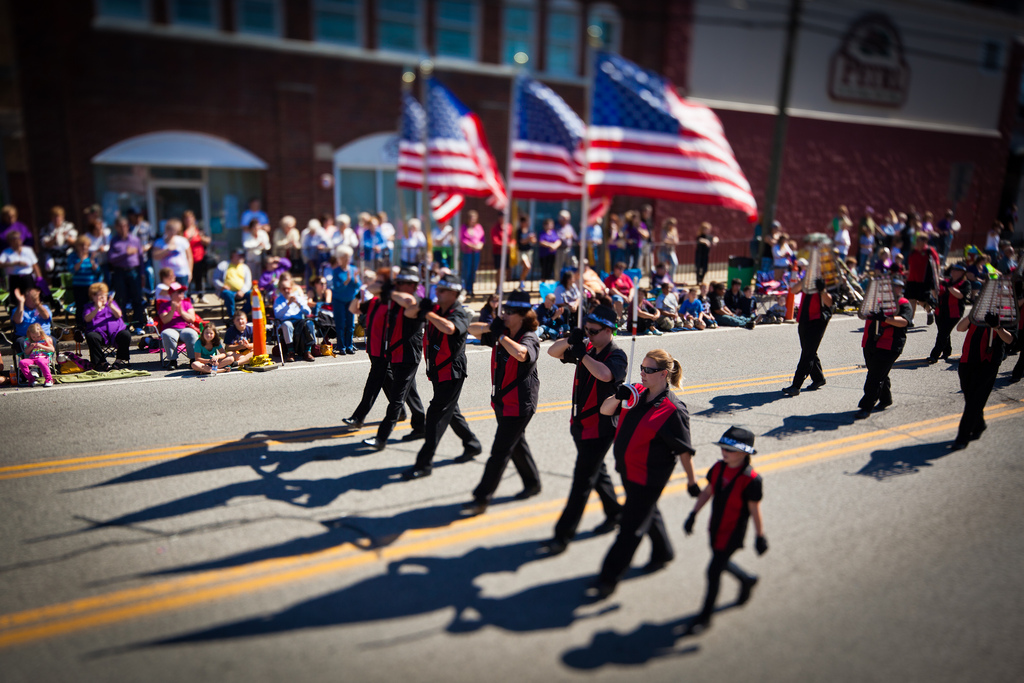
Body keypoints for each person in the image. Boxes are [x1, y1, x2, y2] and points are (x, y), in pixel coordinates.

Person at [585, 349, 697, 600]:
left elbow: (684, 450)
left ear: (663, 374)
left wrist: (691, 481)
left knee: (630, 527)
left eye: (649, 370)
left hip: (649, 477)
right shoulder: (635, 392)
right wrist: (618, 396)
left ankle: (608, 577)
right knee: (648, 512)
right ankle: (663, 552)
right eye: (642, 368)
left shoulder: (672, 410)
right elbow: (604, 411)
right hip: (627, 470)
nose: (642, 374)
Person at [540, 304, 628, 556]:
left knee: (582, 483)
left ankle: (561, 536)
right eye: (587, 329)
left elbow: (605, 375)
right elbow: (553, 352)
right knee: (597, 472)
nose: (589, 334)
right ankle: (615, 513)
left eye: (594, 330)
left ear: (610, 330)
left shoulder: (616, 355)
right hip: (579, 424)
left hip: (600, 428)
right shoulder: (586, 346)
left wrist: (583, 355)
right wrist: (571, 339)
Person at [463, 290, 543, 515]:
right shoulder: (503, 331)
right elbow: (471, 329)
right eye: (503, 311)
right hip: (502, 401)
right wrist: (493, 327)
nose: (504, 314)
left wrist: (500, 336)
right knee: (516, 444)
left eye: (508, 311)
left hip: (519, 404)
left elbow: (521, 354)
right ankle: (533, 483)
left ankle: (481, 497)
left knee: (500, 451)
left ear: (520, 315)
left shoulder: (529, 337)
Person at [682, 426, 767, 635]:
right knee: (720, 562)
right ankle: (746, 579)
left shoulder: (751, 479)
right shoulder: (719, 468)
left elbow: (754, 509)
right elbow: (708, 491)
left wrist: (759, 536)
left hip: (733, 532)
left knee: (713, 571)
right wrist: (693, 514)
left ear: (745, 453)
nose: (724, 453)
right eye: (723, 448)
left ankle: (705, 617)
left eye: (730, 450)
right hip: (715, 527)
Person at [402, 273, 483, 479]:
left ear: (454, 293)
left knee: (436, 416)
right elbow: (409, 314)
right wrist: (422, 307)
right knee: (451, 412)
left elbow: (449, 328)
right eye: (437, 289)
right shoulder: (436, 309)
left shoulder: (461, 313)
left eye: (442, 290)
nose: (437, 292)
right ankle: (472, 444)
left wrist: (428, 314)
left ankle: (424, 463)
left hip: (452, 372)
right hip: (437, 370)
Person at [343, 267, 426, 435]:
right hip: (377, 349)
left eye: (380, 281)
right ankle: (411, 417)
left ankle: (360, 418)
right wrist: (359, 294)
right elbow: (354, 308)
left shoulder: (394, 301)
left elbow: (410, 302)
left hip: (392, 350)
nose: (376, 284)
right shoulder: (377, 300)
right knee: (399, 387)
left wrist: (388, 290)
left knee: (379, 386)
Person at [949, 313, 1014, 450]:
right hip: (967, 359)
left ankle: (962, 437)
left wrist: (997, 327)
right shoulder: (977, 313)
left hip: (988, 363)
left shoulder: (1007, 314)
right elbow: (960, 328)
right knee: (969, 397)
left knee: (974, 402)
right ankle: (979, 424)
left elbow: (1010, 339)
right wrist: (973, 313)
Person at [855, 279, 913, 419]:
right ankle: (886, 399)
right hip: (870, 342)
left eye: (896, 287)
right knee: (879, 373)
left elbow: (905, 321)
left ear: (900, 289)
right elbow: (861, 314)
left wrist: (885, 318)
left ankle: (866, 406)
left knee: (874, 376)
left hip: (890, 345)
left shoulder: (903, 303)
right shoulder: (877, 301)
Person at [782, 273, 832, 395]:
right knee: (809, 350)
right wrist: (805, 279)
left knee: (807, 354)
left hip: (818, 320)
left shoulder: (830, 278)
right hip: (804, 318)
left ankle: (796, 385)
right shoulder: (808, 279)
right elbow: (794, 290)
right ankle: (819, 378)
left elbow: (830, 302)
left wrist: (822, 290)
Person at [82, 282, 133, 371]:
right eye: (100, 296)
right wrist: (97, 308)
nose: (103, 297)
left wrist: (111, 306)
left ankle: (118, 361)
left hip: (115, 331)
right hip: (98, 332)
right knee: (91, 336)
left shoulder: (111, 303)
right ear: (93, 297)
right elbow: (87, 319)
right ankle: (102, 362)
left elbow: (119, 315)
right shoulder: (89, 307)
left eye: (104, 295)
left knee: (125, 335)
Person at [107, 216, 146, 334]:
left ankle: (138, 325)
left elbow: (140, 258)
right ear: (117, 228)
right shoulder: (114, 241)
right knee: (121, 299)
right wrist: (126, 253)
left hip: (134, 271)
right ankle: (123, 325)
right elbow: (111, 259)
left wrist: (142, 274)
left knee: (137, 298)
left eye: (125, 226)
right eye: (120, 226)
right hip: (120, 272)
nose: (123, 228)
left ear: (128, 226)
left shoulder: (135, 240)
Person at [928, 264, 970, 364]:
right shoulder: (946, 282)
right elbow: (936, 295)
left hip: (954, 312)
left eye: (957, 270)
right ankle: (947, 351)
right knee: (943, 332)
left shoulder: (965, 283)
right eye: (953, 270)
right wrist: (933, 286)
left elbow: (960, 295)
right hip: (940, 311)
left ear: (962, 273)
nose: (954, 272)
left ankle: (934, 355)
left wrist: (949, 286)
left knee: (943, 333)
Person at [273, 272, 317, 362]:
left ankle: (307, 351)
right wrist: (288, 304)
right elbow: (278, 315)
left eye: (288, 288)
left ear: (291, 288)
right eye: (284, 289)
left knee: (309, 323)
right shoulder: (278, 300)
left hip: (299, 321)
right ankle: (291, 352)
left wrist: (299, 304)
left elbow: (308, 311)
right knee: (287, 325)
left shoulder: (297, 298)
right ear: (280, 289)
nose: (286, 291)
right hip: (286, 321)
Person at [157, 282, 199, 369]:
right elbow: (164, 320)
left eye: (182, 292)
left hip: (185, 328)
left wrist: (181, 312)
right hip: (170, 329)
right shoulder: (164, 305)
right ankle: (172, 361)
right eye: (179, 292)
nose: (182, 294)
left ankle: (193, 360)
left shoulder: (187, 304)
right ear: (172, 294)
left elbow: (192, 319)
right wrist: (172, 310)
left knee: (191, 334)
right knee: (167, 334)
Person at [66, 235, 100, 330]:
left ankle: (94, 325)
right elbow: (72, 270)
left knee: (93, 305)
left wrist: (93, 262)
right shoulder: (72, 256)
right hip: (79, 286)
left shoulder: (92, 255)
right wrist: (81, 260)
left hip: (91, 286)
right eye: (81, 245)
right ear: (77, 246)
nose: (84, 247)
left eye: (86, 245)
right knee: (80, 306)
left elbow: (98, 271)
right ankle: (81, 326)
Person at [331, 246, 360, 354]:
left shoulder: (353, 269)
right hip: (339, 300)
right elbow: (337, 287)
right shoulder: (336, 271)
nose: (348, 259)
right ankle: (341, 346)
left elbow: (358, 285)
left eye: (349, 257)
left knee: (351, 324)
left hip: (351, 300)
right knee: (340, 324)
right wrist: (347, 281)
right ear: (341, 258)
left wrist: (356, 280)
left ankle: (349, 345)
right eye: (345, 257)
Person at [904, 234, 940, 323]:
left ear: (925, 241)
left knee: (921, 300)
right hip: (912, 279)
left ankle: (929, 311)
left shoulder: (929, 251)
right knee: (911, 300)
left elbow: (936, 264)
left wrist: (936, 278)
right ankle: (910, 320)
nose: (917, 242)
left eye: (919, 240)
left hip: (924, 280)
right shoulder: (913, 251)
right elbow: (909, 265)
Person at [10, 284, 52, 356]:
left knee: (51, 340)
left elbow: (46, 316)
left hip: (43, 336)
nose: (32, 300)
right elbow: (17, 321)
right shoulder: (17, 309)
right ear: (25, 298)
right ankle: (27, 361)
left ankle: (47, 361)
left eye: (34, 298)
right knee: (20, 342)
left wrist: (37, 303)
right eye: (30, 298)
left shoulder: (44, 307)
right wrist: (21, 303)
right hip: (24, 336)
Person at [152, 219, 192, 289]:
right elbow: (155, 256)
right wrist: (167, 250)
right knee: (168, 295)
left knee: (181, 294)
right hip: (166, 274)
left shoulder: (182, 241)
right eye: (170, 229)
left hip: (181, 273)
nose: (172, 232)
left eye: (174, 230)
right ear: (166, 230)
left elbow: (189, 257)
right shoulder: (159, 242)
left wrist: (190, 272)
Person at [214, 249, 253, 320]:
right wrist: (222, 286)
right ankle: (232, 317)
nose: (241, 257)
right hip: (228, 292)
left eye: (242, 256)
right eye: (239, 255)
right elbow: (215, 279)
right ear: (232, 255)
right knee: (227, 293)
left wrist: (242, 291)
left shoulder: (245, 267)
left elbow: (248, 283)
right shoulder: (223, 265)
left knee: (253, 294)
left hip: (242, 292)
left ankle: (241, 315)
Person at [39, 206, 76, 276]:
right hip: (53, 255)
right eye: (54, 217)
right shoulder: (46, 229)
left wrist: (66, 237)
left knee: (68, 276)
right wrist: (53, 240)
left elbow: (74, 242)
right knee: (52, 272)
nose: (57, 219)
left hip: (66, 254)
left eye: (58, 216)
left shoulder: (69, 226)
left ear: (63, 217)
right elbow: (45, 244)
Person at [1, 230, 39, 298]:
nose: (18, 240)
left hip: (27, 277)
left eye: (19, 238)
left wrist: (39, 278)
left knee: (30, 297)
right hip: (14, 278)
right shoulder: (6, 252)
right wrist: (14, 263)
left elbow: (35, 265)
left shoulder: (28, 250)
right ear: (10, 241)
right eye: (15, 239)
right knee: (16, 298)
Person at [182, 211, 212, 293]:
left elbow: (208, 240)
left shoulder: (199, 230)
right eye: (186, 219)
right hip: (186, 258)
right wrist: (187, 240)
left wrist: (201, 237)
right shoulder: (182, 231)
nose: (188, 221)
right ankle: (188, 295)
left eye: (190, 219)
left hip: (199, 257)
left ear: (193, 219)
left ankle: (201, 294)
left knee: (200, 277)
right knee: (188, 277)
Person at [459, 210, 485, 296]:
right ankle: (464, 288)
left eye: (474, 218)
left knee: (474, 270)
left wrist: (479, 245)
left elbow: (482, 238)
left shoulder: (478, 227)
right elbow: (463, 240)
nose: (473, 220)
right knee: (466, 271)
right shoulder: (464, 227)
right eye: (471, 218)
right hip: (467, 252)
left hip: (476, 253)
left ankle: (470, 289)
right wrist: (472, 246)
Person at [554, 209, 577, 276]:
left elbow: (575, 237)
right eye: (564, 218)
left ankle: (571, 280)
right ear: (560, 218)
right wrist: (565, 237)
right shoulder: (556, 226)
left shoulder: (569, 226)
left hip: (569, 249)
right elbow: (557, 237)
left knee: (574, 264)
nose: (566, 220)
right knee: (559, 267)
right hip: (560, 249)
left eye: (567, 218)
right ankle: (558, 282)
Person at [514, 216, 535, 288]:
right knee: (527, 266)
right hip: (521, 252)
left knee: (525, 268)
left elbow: (534, 241)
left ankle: (522, 281)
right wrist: (528, 239)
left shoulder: (530, 230)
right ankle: (522, 281)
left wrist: (531, 239)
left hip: (529, 251)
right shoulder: (519, 231)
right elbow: (521, 242)